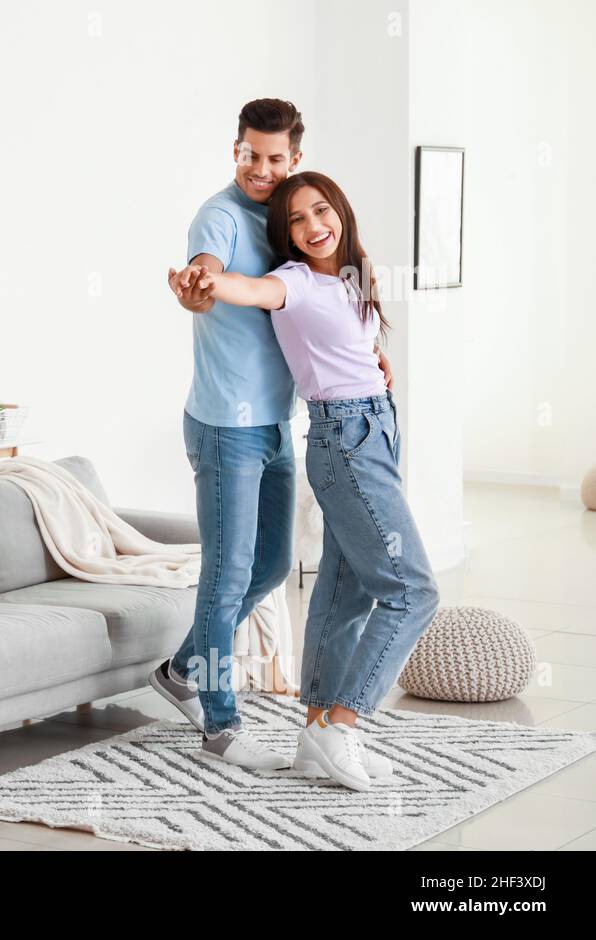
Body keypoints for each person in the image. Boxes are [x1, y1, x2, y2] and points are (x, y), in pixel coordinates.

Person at [170, 170, 440, 791]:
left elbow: (350, 341)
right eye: (296, 220)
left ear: (340, 210)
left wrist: (374, 361)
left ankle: (316, 729)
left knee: (345, 592)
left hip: (376, 430)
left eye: (321, 211)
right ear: (285, 234)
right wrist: (203, 279)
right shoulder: (291, 281)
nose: (314, 226)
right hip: (345, 442)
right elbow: (246, 287)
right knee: (412, 591)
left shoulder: (353, 276)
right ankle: (341, 725)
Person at [148, 99, 391, 771]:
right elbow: (207, 275)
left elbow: (317, 307)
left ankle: (180, 671)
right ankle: (220, 726)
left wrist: (368, 353)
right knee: (227, 575)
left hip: (276, 420)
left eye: (274, 158)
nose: (260, 168)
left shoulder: (288, 217)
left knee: (273, 566)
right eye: (249, 154)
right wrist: (196, 286)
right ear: (236, 150)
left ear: (295, 158)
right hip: (226, 426)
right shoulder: (220, 216)